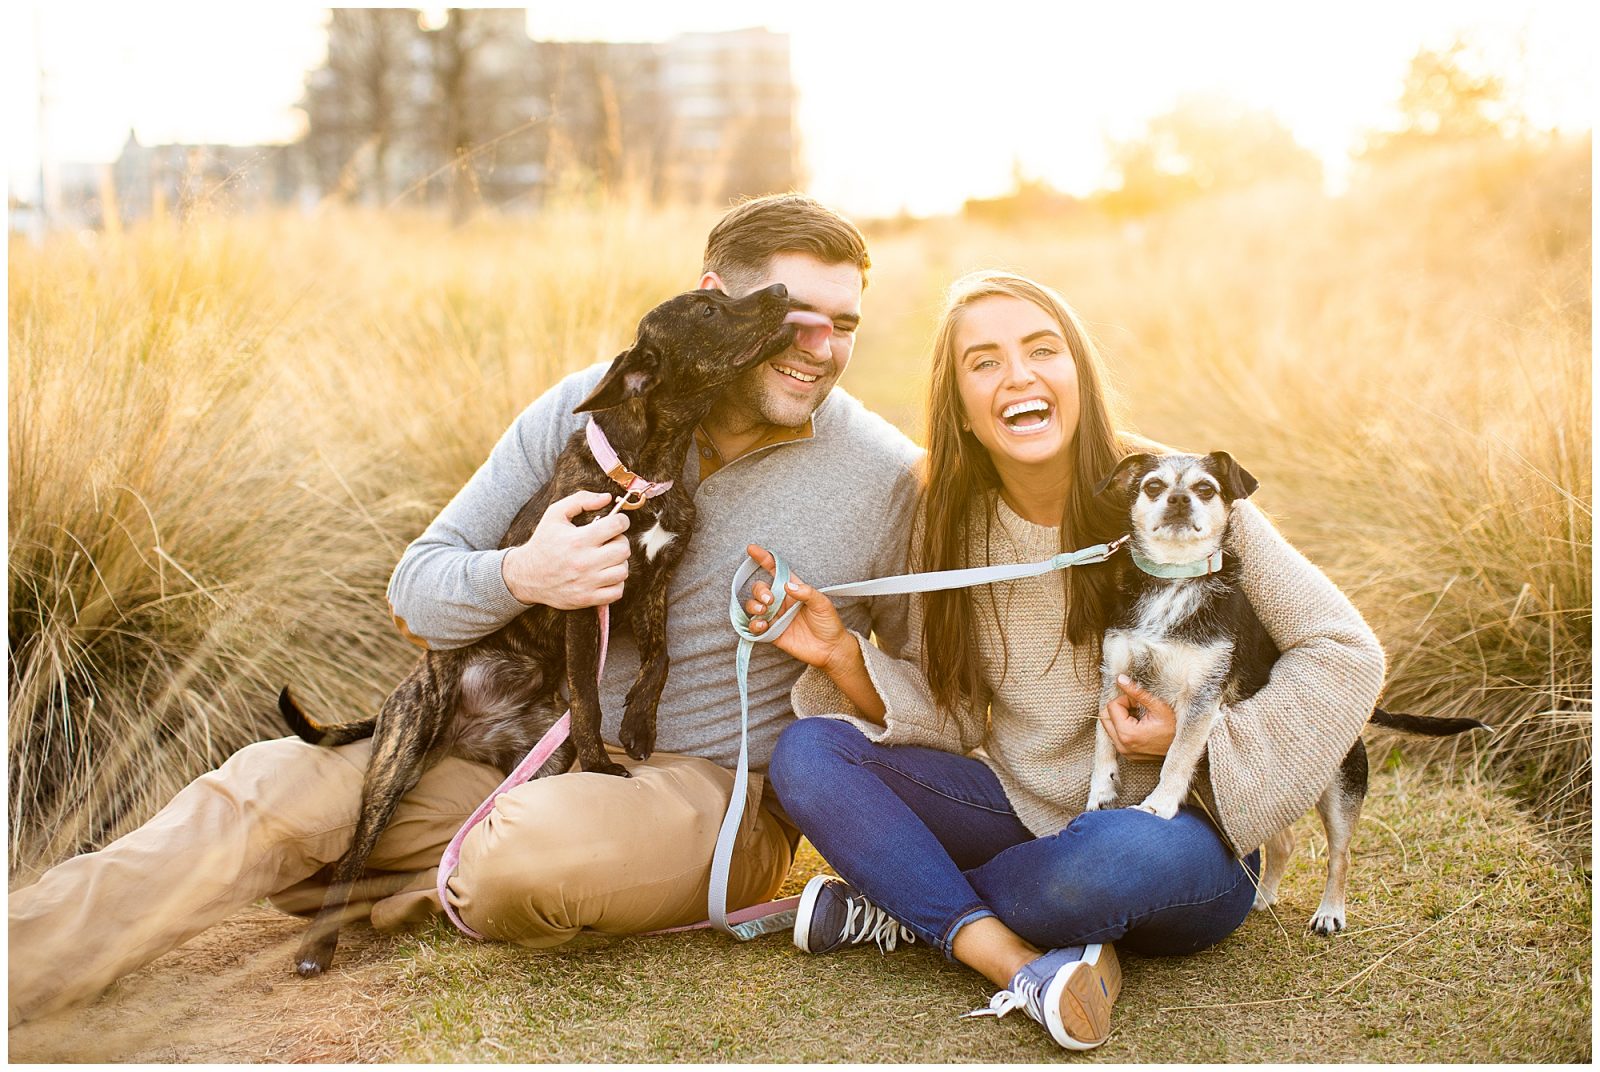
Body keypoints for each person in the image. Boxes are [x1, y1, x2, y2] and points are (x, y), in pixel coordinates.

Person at [8, 193, 923, 1026]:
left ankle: (382, 880)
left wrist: (845, 662)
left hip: (706, 795)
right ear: (713, 296)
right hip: (514, 753)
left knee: (520, 861)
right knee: (268, 788)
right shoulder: (584, 410)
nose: (820, 348)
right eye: (794, 318)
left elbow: (942, 703)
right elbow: (417, 591)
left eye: (841, 325)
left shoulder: (884, 477)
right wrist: (525, 574)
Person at [748, 271, 1386, 1051]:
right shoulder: (947, 523)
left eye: (1041, 349)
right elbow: (948, 716)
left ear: (1078, 373)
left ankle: (910, 903)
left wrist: (1203, 742)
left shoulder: (1175, 490)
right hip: (1020, 816)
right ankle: (1006, 952)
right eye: (983, 362)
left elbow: (1345, 650)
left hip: (1177, 838)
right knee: (810, 751)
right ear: (963, 408)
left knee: (1099, 865)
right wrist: (844, 654)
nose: (1017, 375)